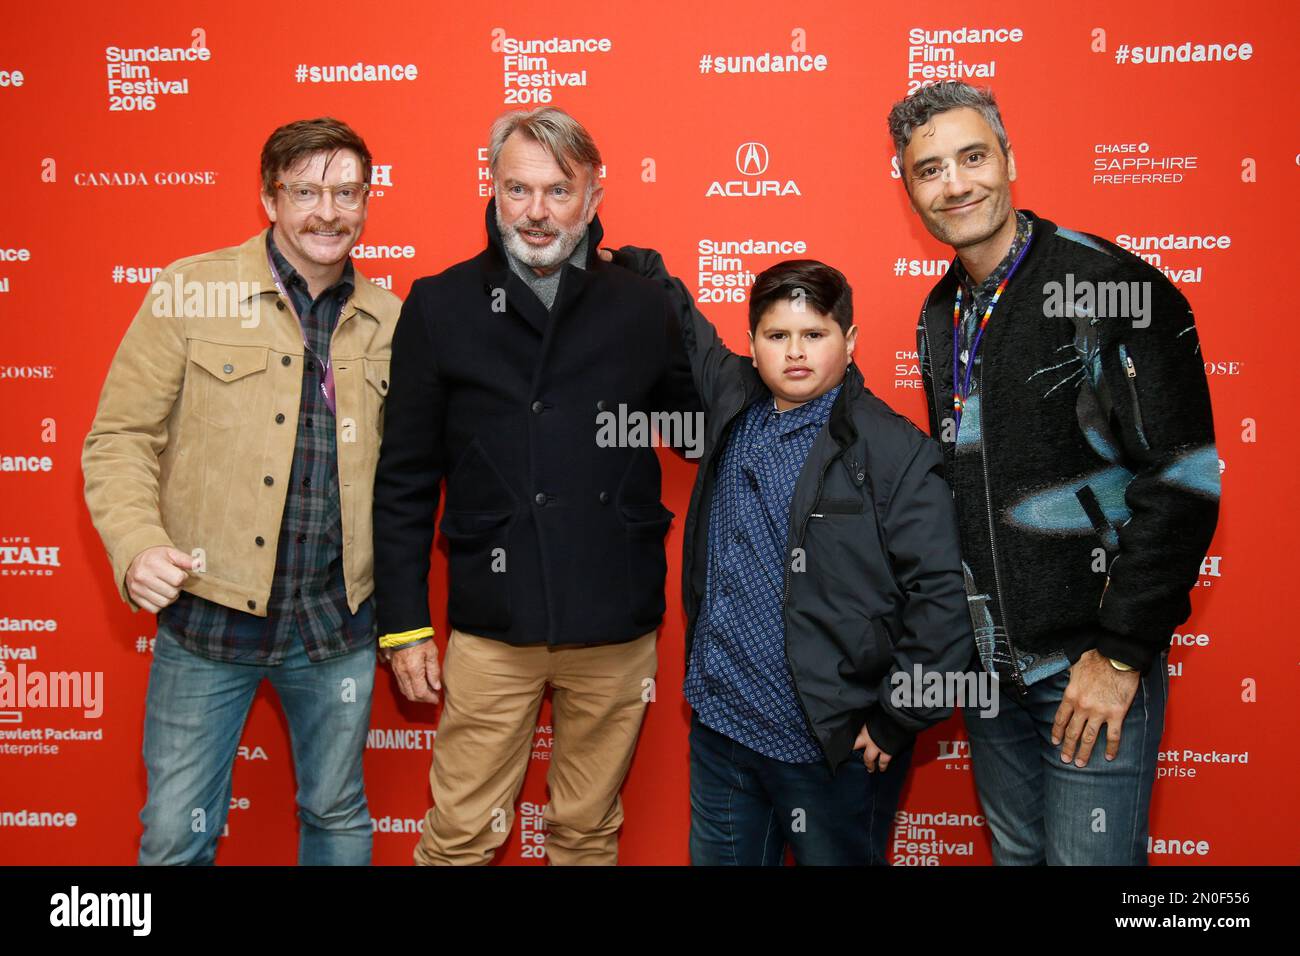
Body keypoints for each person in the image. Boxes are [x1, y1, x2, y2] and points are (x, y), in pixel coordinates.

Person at [887, 81, 1220, 864]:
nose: (955, 183)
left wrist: (1121, 654)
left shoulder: (1107, 287)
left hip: (1087, 667)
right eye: (929, 169)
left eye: (972, 157)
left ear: (1010, 159)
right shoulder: (942, 313)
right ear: (909, 189)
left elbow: (1184, 480)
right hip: (991, 672)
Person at [373, 106, 697, 865]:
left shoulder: (640, 301)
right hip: (493, 620)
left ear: (594, 193)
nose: (538, 212)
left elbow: (694, 431)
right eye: (518, 189)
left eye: (558, 190)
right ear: (491, 189)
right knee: (458, 838)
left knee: (585, 835)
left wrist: (685, 314)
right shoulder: (440, 303)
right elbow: (405, 480)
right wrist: (404, 623)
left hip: (613, 617)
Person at [82, 118, 400, 865]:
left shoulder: (389, 320)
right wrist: (135, 546)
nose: (328, 211)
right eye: (305, 191)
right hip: (208, 626)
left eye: (347, 192)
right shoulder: (190, 291)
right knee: (173, 835)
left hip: (336, 632)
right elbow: (119, 437)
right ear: (268, 197)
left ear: (366, 201)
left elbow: (410, 479)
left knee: (336, 817)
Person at [609, 250, 974, 865]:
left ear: (850, 341)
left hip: (831, 749)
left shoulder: (894, 451)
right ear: (753, 344)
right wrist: (644, 268)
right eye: (778, 336)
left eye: (814, 334)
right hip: (723, 730)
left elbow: (943, 597)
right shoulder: (732, 401)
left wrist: (896, 718)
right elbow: (689, 331)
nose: (796, 351)